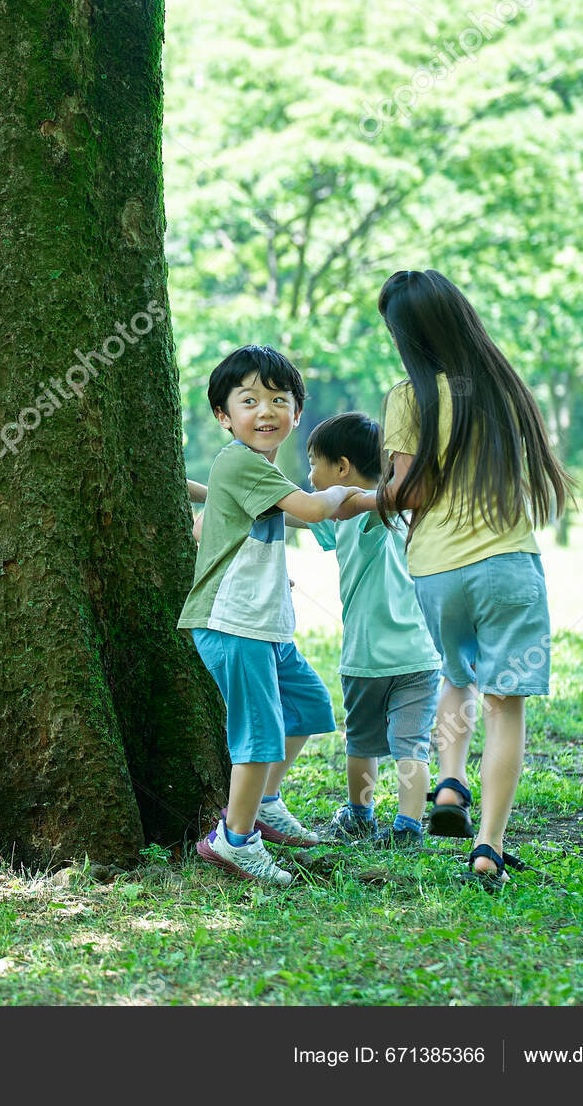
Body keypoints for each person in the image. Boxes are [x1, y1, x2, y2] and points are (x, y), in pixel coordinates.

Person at [342, 270, 573, 888]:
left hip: (437, 570)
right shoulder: (499, 385)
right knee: (505, 706)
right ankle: (488, 846)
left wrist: (361, 498)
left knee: (454, 673)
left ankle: (451, 781)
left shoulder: (407, 397)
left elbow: (408, 488)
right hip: (506, 562)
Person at [178, 345, 361, 887]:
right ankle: (234, 840)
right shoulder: (237, 460)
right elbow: (310, 509)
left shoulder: (254, 473)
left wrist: (374, 500)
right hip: (234, 624)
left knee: (307, 705)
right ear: (223, 415)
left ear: (297, 413)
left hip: (265, 624)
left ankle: (265, 802)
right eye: (249, 400)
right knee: (258, 735)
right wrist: (351, 490)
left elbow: (299, 516)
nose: (266, 411)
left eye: (279, 400)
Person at [297, 412, 442, 848]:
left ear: (341, 468)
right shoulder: (354, 515)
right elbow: (285, 513)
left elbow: (379, 501)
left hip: (370, 658)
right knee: (408, 745)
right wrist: (209, 493)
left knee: (363, 743)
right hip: (418, 656)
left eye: (313, 462)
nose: (309, 473)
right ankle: (406, 827)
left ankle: (363, 815)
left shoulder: (373, 512)